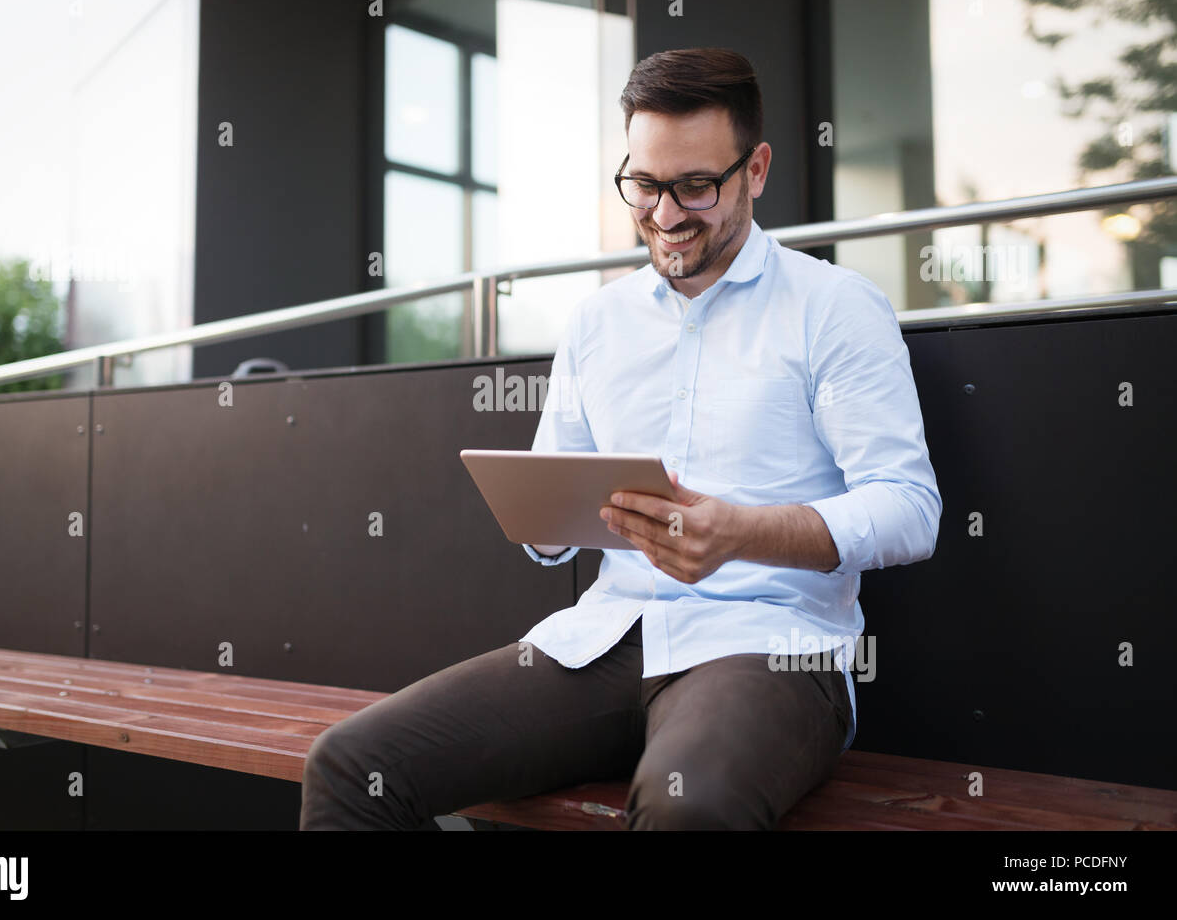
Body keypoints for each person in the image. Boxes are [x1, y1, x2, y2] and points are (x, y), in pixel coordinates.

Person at [300, 47, 941, 830]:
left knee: (690, 809)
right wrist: (544, 523)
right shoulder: (597, 323)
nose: (666, 215)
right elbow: (555, 518)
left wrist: (739, 532)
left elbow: (910, 509)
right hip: (604, 639)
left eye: (696, 186)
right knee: (349, 765)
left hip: (770, 646)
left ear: (757, 170)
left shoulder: (834, 306)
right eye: (644, 184)